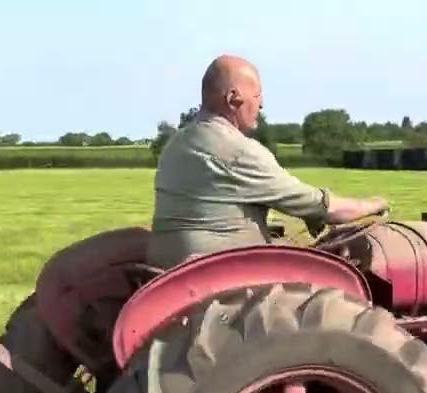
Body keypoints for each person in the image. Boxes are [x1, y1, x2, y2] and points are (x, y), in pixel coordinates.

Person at [148, 54, 389, 268]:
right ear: (234, 99)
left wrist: (308, 214)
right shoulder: (237, 151)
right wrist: (374, 205)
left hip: (171, 269)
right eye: (257, 95)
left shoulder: (176, 144)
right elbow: (325, 208)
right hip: (227, 276)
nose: (261, 104)